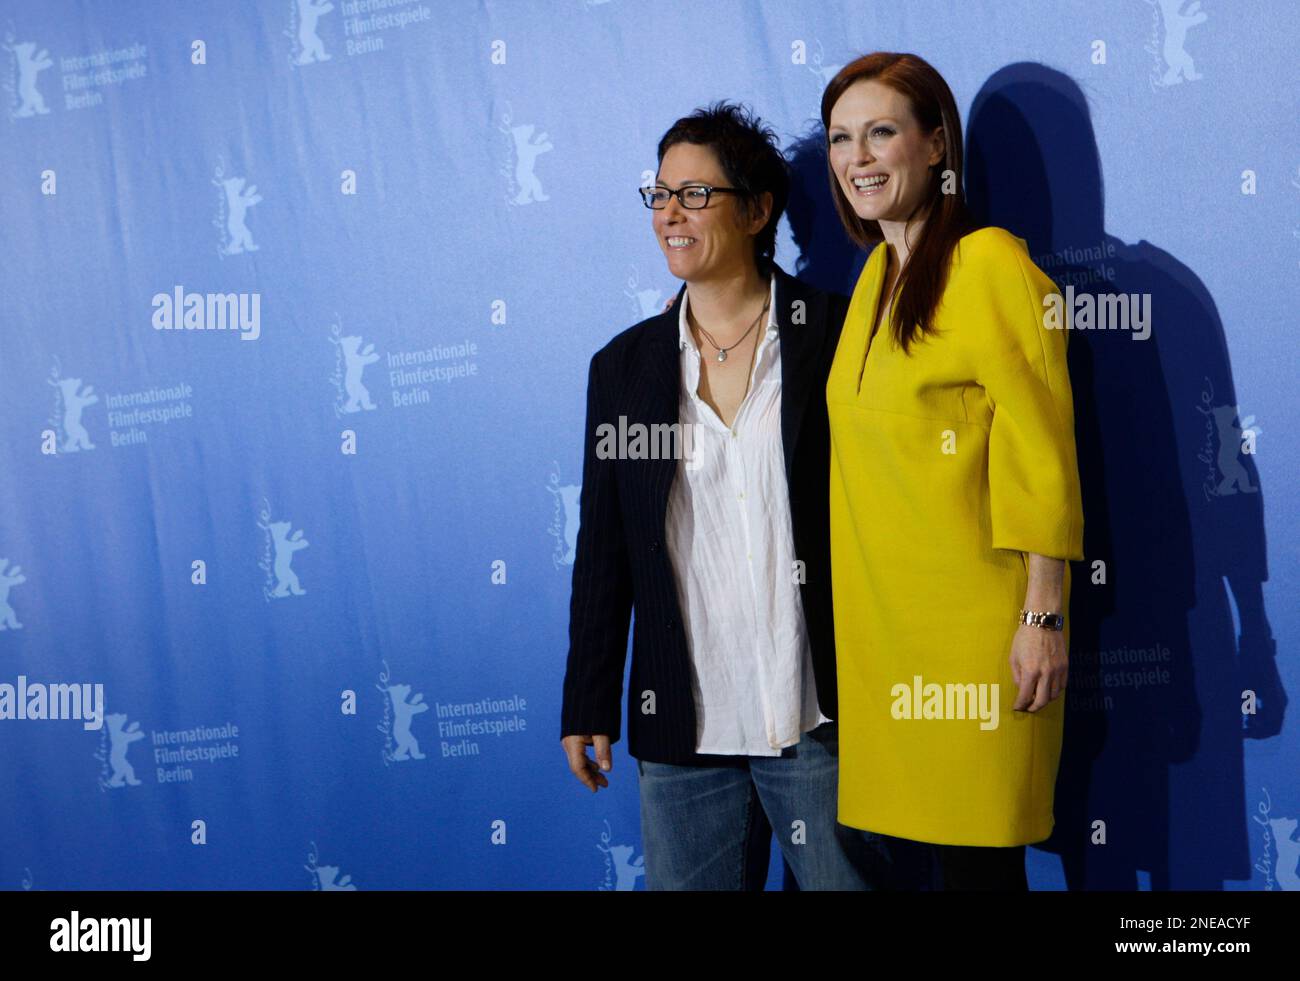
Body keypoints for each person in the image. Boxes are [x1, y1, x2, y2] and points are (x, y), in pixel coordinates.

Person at [560, 102, 882, 890]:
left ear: (758, 210)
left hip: (819, 716)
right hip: (682, 727)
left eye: (696, 194)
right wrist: (587, 698)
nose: (670, 212)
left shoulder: (839, 336)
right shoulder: (623, 367)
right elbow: (604, 548)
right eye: (660, 194)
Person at [820, 53, 1085, 890]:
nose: (858, 157)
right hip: (882, 644)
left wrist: (1043, 617)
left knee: (978, 872)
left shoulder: (992, 264)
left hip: (977, 639)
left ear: (937, 145)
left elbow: (1042, 451)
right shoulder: (871, 276)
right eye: (840, 139)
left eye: (881, 133)